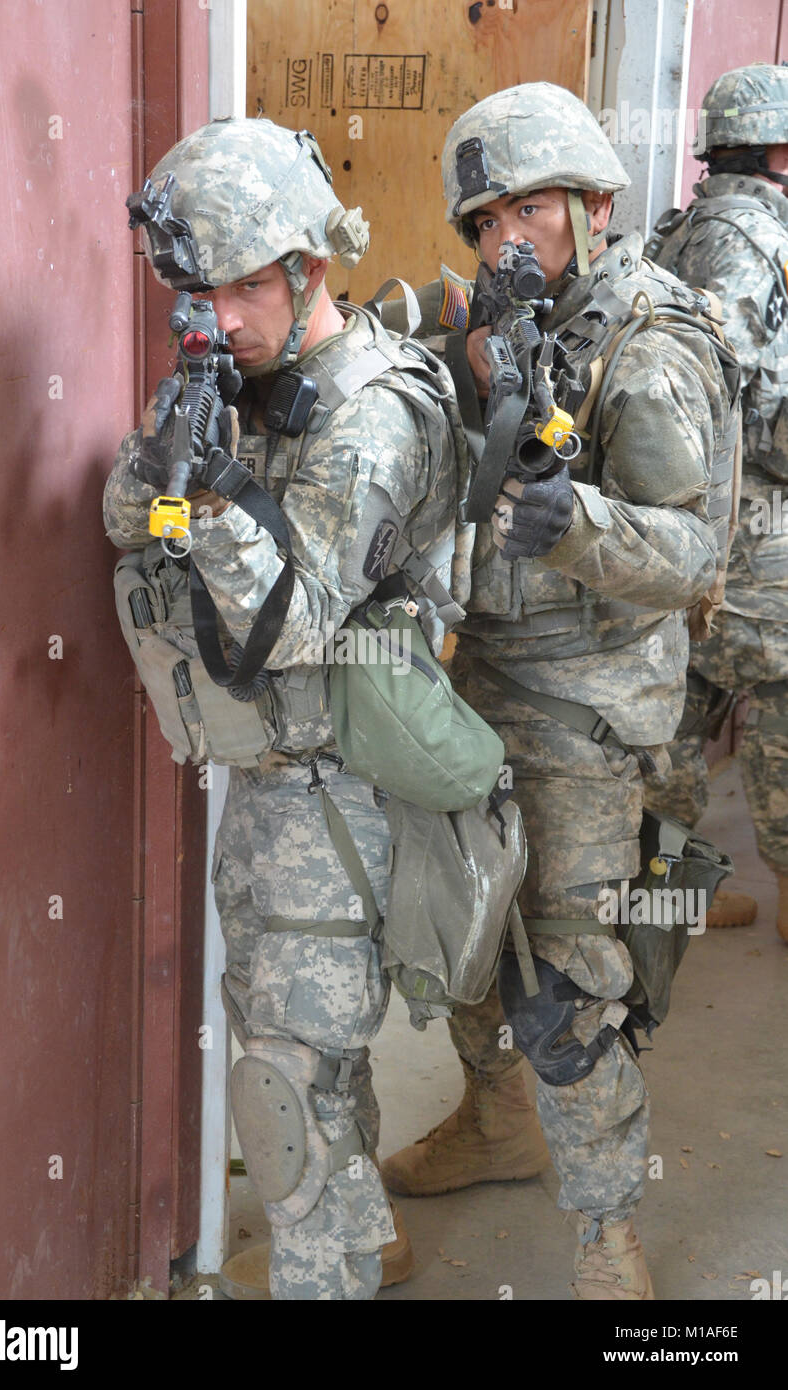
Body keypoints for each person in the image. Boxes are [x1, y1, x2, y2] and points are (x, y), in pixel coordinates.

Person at [380, 82, 739, 1299]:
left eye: (526, 209)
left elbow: (696, 556)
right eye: (483, 220)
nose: (501, 240)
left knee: (571, 988)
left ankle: (604, 1236)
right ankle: (495, 1123)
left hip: (589, 706)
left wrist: (575, 520)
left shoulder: (651, 340)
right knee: (462, 928)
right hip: (477, 675)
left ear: (592, 207)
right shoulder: (510, 321)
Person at [104, 117, 467, 1299]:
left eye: (235, 291)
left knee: (285, 1101)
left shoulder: (370, 413)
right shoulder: (247, 382)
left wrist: (207, 497)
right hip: (270, 793)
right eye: (191, 295)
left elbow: (298, 623)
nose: (210, 320)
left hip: (340, 793)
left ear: (307, 269)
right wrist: (174, 462)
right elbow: (123, 510)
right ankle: (362, 1252)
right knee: (320, 1074)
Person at [644, 63, 788, 942]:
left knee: (669, 718)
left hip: (680, 533)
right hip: (750, 535)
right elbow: (732, 402)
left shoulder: (677, 231)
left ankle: (670, 898)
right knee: (778, 712)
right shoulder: (755, 242)